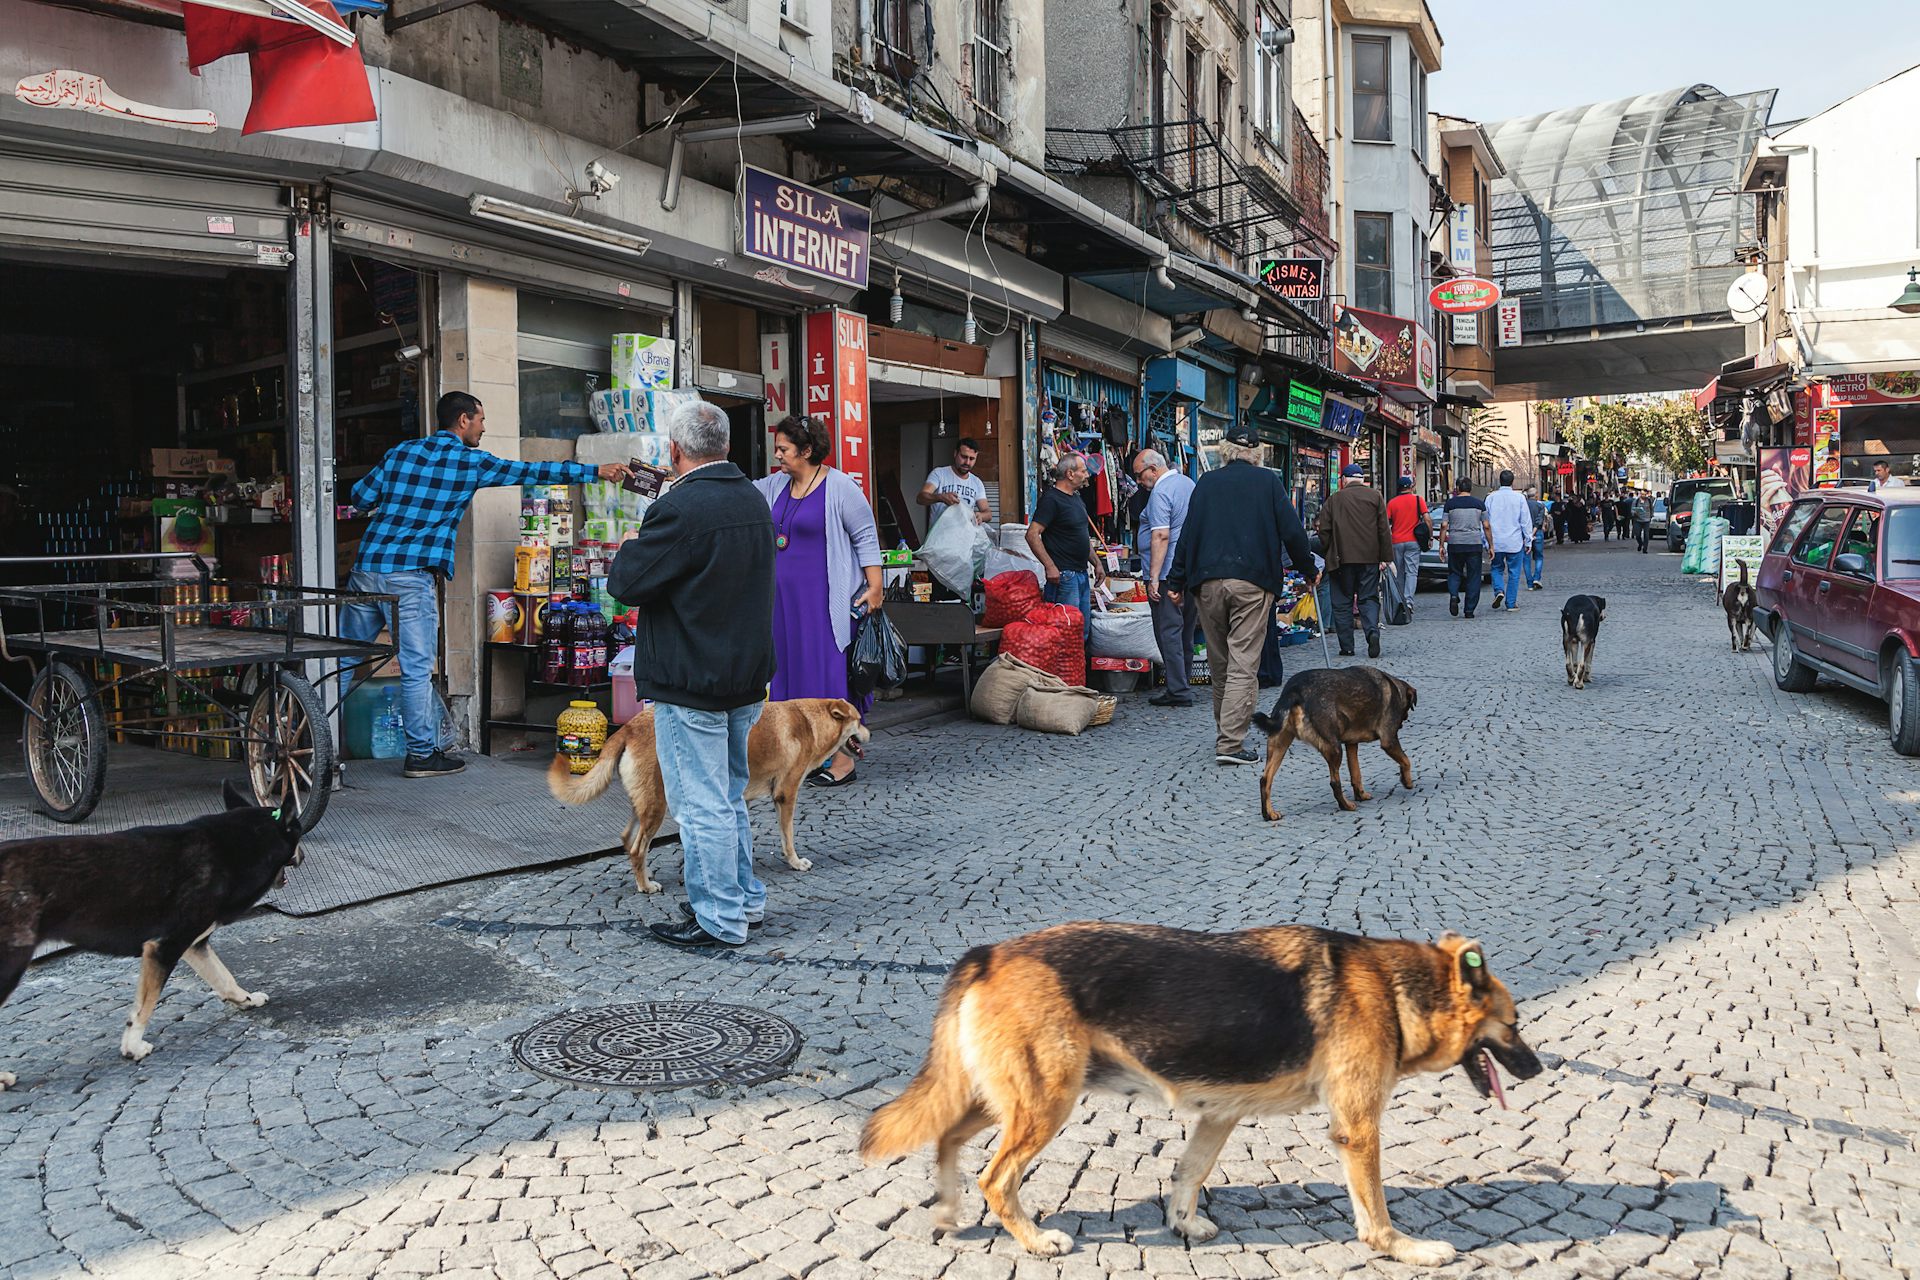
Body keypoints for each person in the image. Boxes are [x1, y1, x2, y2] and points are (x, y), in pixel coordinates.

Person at [344, 391, 628, 779]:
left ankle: (315, 744)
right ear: (463, 420)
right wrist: (595, 472)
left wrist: (394, 505)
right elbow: (534, 472)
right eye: (480, 419)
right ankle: (421, 756)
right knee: (414, 669)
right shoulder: (470, 462)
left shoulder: (401, 452)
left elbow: (359, 497)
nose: (483, 427)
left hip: (367, 567)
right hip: (408, 579)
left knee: (340, 660)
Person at [609, 401, 776, 949]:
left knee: (702, 803)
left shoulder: (680, 508)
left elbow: (627, 583)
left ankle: (720, 918)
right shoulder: (753, 496)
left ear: (674, 452)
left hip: (692, 676)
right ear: (724, 446)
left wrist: (635, 539)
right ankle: (744, 899)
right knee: (727, 795)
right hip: (744, 673)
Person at [1163, 424, 1316, 765]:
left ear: (1225, 451)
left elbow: (1187, 536)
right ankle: (1230, 744)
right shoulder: (1268, 483)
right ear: (1256, 454)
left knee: (1220, 664)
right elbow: (1293, 532)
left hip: (1207, 582)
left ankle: (1226, 731)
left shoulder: (1206, 483)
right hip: (1252, 581)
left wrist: (1175, 582)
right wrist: (1309, 569)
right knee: (1243, 663)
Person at [753, 414, 884, 790]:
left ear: (807, 451)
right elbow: (741, 492)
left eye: (784, 449)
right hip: (783, 605)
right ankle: (799, 757)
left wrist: (875, 588)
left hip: (824, 603)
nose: (777, 455)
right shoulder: (775, 485)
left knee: (826, 680)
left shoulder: (840, 486)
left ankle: (842, 760)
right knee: (788, 677)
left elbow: (865, 537)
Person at [1131, 449, 1199, 707]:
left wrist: (1154, 578)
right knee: (1186, 631)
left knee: (1169, 631)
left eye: (1139, 475)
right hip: (1189, 570)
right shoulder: (1187, 483)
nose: (1138, 481)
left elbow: (1161, 535)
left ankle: (1178, 690)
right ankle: (1182, 682)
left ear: (1152, 469)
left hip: (1169, 572)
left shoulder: (1160, 492)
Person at [1318, 464, 1392, 658]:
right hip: (1369, 558)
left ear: (1344, 480)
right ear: (1362, 479)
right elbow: (1383, 529)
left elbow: (1323, 530)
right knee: (1368, 598)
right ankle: (1372, 632)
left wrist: (1330, 550)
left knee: (1342, 602)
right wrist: (1385, 557)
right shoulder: (1375, 496)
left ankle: (1347, 646)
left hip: (1341, 559)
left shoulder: (1334, 499)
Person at [1026, 453, 1104, 639]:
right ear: (1070, 473)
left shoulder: (1076, 498)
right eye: (1083, 471)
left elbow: (1081, 536)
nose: (1087, 475)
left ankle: (1077, 668)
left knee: (1081, 631)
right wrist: (1050, 566)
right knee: (1065, 631)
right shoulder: (1051, 499)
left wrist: (1096, 563)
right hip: (1064, 577)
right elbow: (1032, 534)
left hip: (1081, 574)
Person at [1484, 470, 1533, 613]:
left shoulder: (1490, 498)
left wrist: (1486, 542)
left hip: (1496, 541)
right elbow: (1525, 521)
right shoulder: (1519, 498)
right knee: (1514, 572)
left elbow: (1485, 521)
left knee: (1496, 568)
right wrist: (1528, 540)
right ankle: (1511, 603)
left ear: (1500, 481)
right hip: (1514, 541)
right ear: (1512, 482)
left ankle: (1499, 590)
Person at [1441, 480, 1492, 618]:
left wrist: (1441, 545)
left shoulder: (1450, 504)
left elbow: (1444, 525)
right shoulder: (1479, 504)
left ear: (1457, 488)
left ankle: (1453, 594)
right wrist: (1491, 545)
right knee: (1474, 577)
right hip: (1474, 544)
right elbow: (1486, 526)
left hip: (1455, 543)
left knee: (1454, 573)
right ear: (1471, 489)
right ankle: (1469, 610)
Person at [917, 437, 992, 529]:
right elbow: (921, 498)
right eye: (964, 457)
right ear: (955, 454)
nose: (967, 462)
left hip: (965, 538)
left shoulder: (977, 482)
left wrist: (981, 516)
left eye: (972, 459)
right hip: (939, 537)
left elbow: (987, 513)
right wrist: (940, 497)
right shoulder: (939, 474)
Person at [1385, 475, 1428, 618]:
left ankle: (1400, 600)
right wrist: (1428, 536)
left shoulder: (1392, 503)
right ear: (1410, 487)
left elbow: (1386, 523)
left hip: (1396, 541)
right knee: (1412, 572)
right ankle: (1408, 601)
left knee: (1400, 571)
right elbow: (1427, 518)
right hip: (1413, 541)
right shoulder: (1418, 500)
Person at [1522, 485, 1547, 591]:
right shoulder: (1540, 506)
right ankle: (1536, 578)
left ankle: (1529, 583)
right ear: (1536, 495)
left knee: (1526, 559)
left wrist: (1528, 535)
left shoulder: (1523, 505)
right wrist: (1533, 533)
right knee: (1539, 557)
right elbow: (1539, 521)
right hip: (1538, 533)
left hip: (1524, 534)